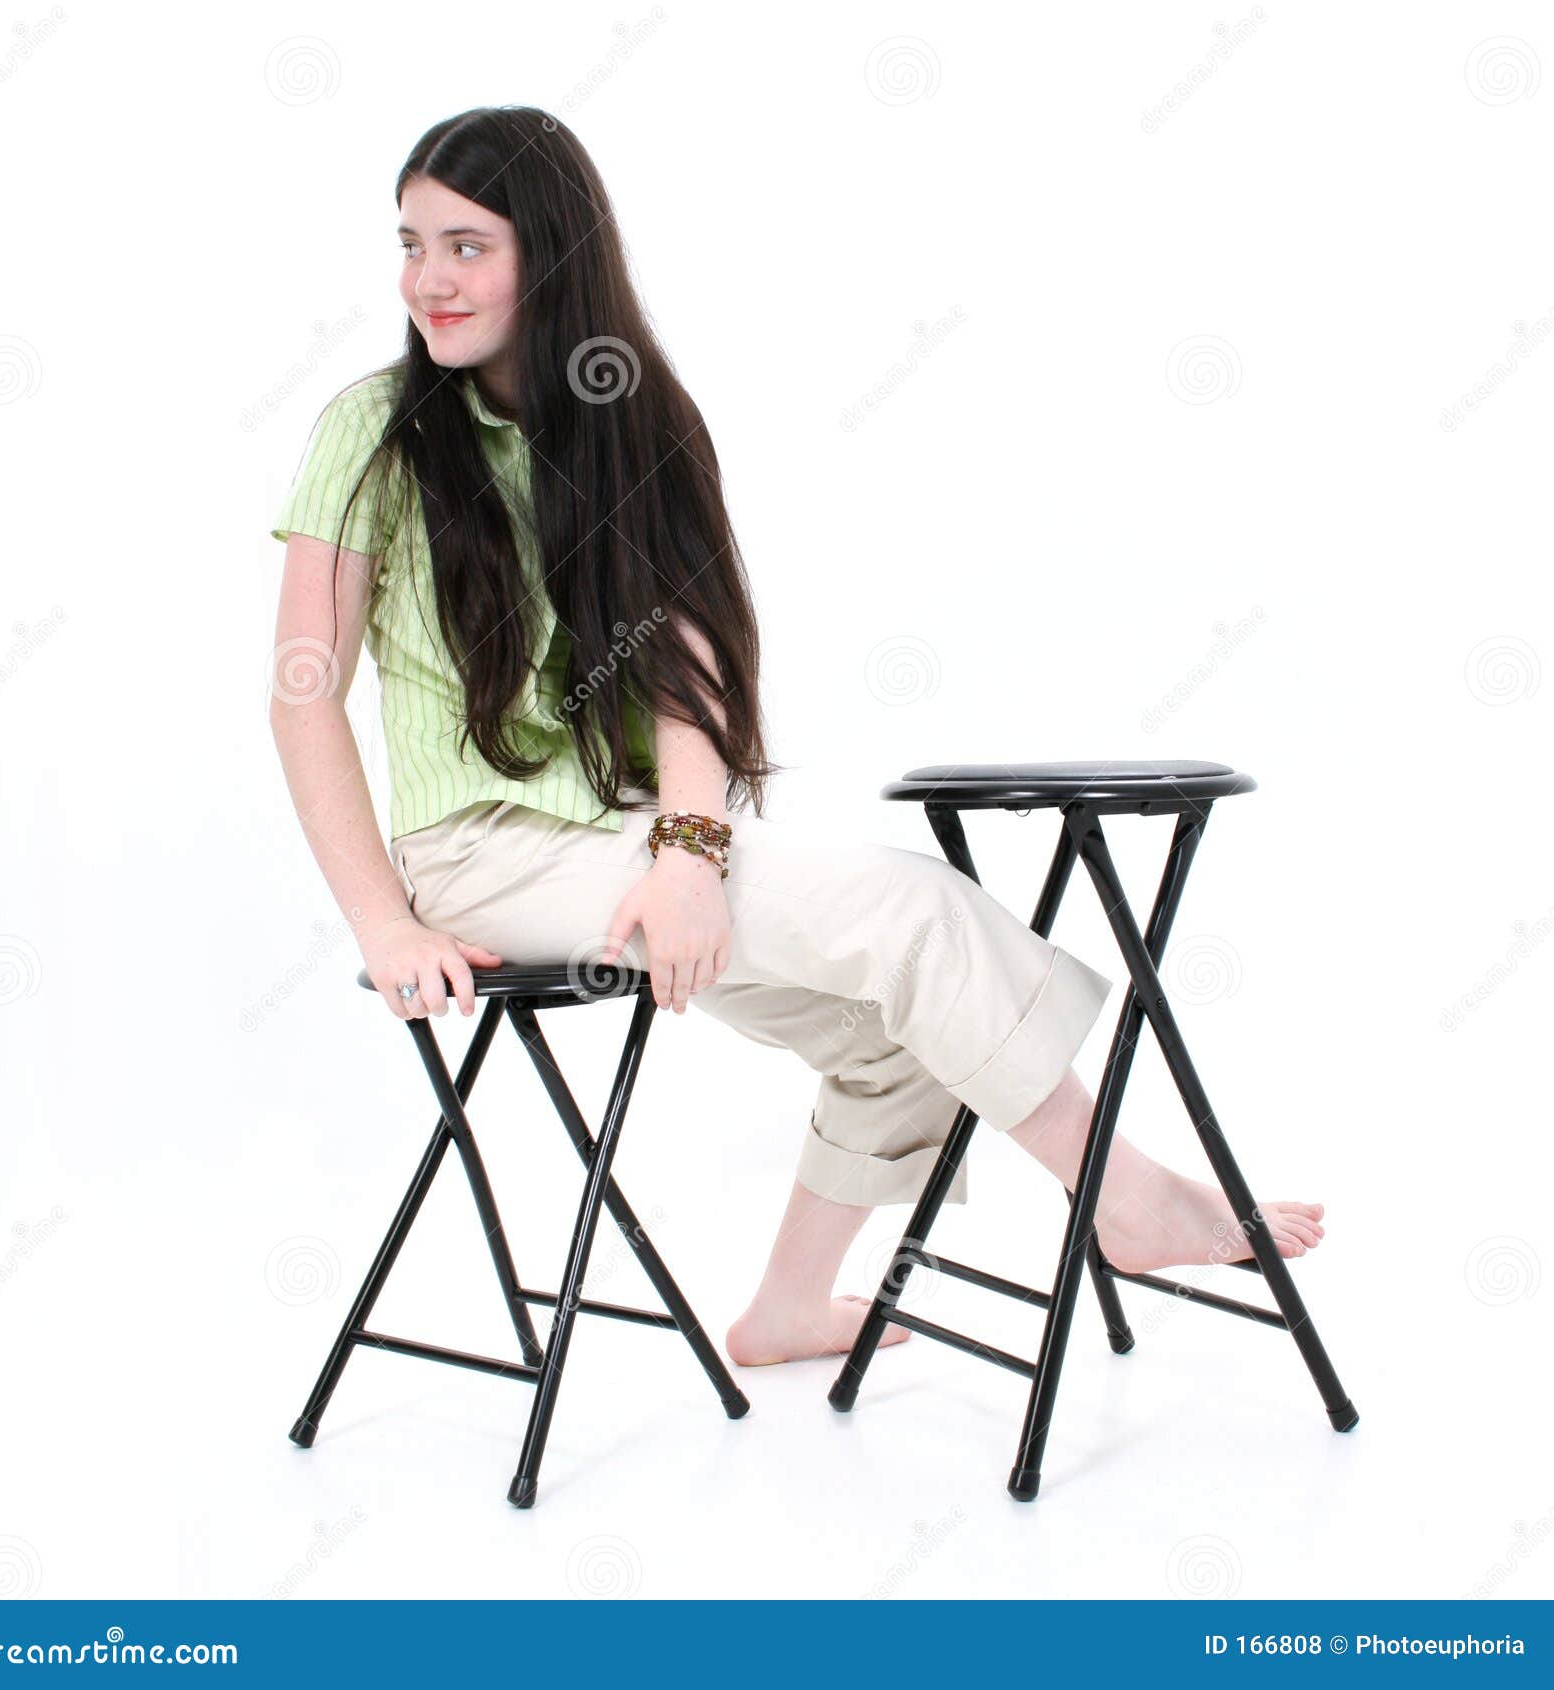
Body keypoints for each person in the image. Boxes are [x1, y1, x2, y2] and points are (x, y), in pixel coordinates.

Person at [267, 106, 1324, 1369]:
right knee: (913, 919)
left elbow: (684, 663)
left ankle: (780, 1311)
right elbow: (302, 694)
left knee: (904, 1031)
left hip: (616, 836)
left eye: (465, 245)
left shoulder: (631, 416)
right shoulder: (371, 429)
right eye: (410, 243)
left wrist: (688, 849)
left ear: (548, 255)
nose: (425, 280)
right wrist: (384, 922)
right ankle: (1126, 1194)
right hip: (481, 853)